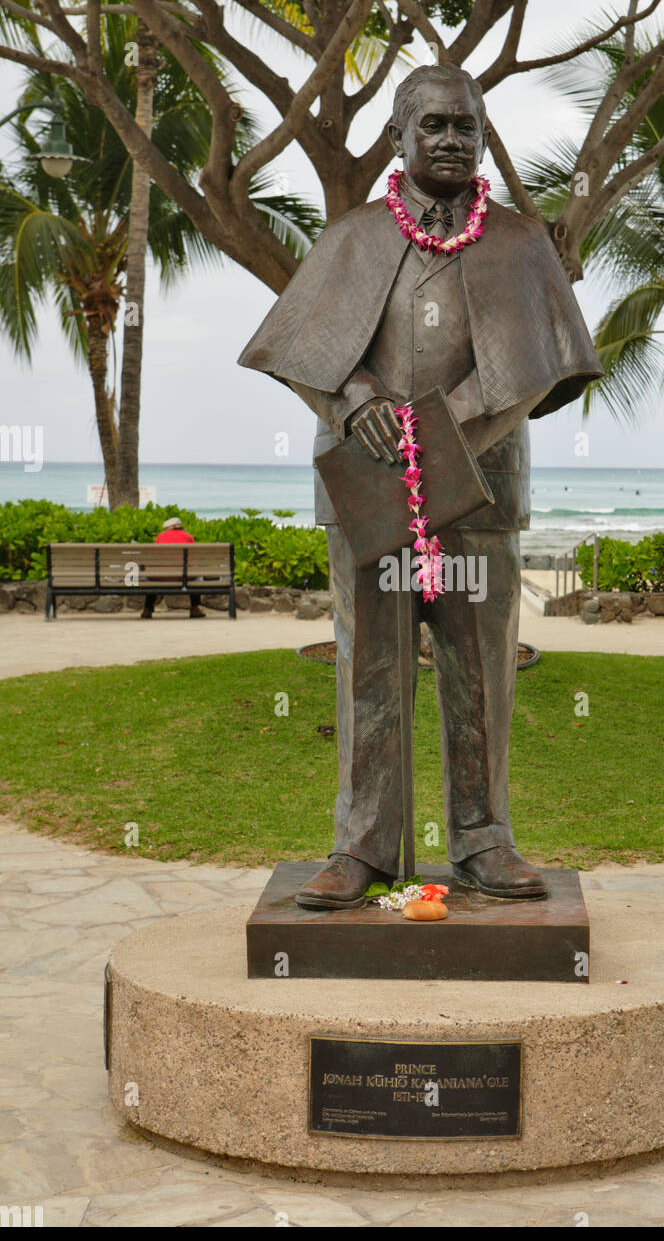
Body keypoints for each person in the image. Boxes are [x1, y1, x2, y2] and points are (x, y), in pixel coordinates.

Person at [240, 62, 601, 909]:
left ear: (482, 138)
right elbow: (303, 349)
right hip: (368, 492)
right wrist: (357, 396)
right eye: (433, 125)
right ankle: (363, 845)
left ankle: (483, 840)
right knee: (369, 667)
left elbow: (542, 366)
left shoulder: (519, 241)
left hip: (479, 487)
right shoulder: (355, 235)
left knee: (481, 672)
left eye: (465, 127)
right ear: (399, 137)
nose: (450, 139)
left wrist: (446, 425)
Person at [140, 516, 206, 620]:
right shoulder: (188, 537)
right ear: (179, 527)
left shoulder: (160, 537)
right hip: (183, 577)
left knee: (150, 580)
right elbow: (193, 560)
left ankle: (147, 609)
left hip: (161, 577)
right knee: (195, 577)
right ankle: (195, 608)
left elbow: (155, 558)